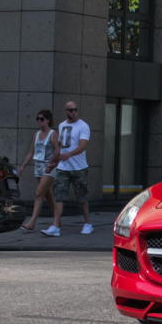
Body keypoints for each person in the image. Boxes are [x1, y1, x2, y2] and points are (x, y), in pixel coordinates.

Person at [45, 101, 92, 236]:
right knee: (59, 196)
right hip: (63, 167)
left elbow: (83, 145)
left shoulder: (83, 126)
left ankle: (87, 223)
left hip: (79, 167)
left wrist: (69, 154)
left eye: (76, 110)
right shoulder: (62, 125)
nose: (74, 112)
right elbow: (59, 147)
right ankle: (55, 226)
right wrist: (52, 163)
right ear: (66, 111)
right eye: (71, 110)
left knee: (82, 197)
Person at [18, 109, 59, 233]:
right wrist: (23, 166)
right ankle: (58, 220)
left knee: (38, 194)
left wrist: (51, 163)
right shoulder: (36, 135)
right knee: (49, 195)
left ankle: (31, 223)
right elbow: (32, 152)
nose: (39, 121)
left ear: (48, 120)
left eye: (41, 119)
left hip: (48, 167)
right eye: (38, 119)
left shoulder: (53, 134)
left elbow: (57, 150)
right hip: (38, 166)